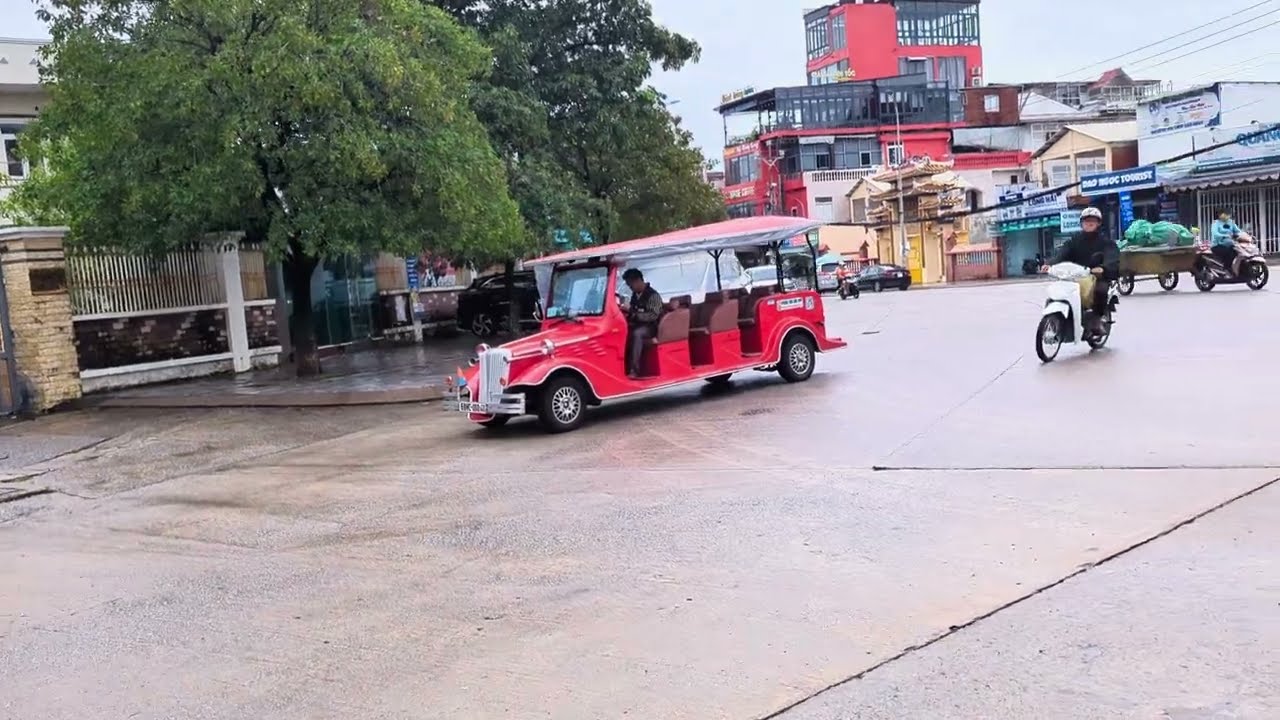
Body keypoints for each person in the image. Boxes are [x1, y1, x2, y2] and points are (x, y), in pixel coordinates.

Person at [1042, 206, 1118, 332]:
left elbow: (1112, 257)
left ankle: (1097, 319)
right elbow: (1062, 253)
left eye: (1093, 220)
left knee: (1100, 290)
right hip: (1075, 275)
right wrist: (1049, 264)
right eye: (1086, 220)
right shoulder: (1075, 240)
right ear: (1082, 223)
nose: (1089, 223)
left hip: (1097, 277)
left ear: (1098, 223)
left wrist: (1103, 268)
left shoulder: (1106, 242)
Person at [619, 268, 663, 378]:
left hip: (651, 327)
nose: (630, 288)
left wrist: (633, 313)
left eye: (631, 285)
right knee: (622, 331)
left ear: (638, 280)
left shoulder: (653, 295)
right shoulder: (635, 295)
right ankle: (622, 367)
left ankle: (635, 370)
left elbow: (653, 316)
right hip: (638, 324)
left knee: (637, 334)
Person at [1210, 209, 1242, 274]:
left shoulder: (1231, 222)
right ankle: (1226, 269)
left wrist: (1244, 235)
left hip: (1230, 244)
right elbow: (1215, 234)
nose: (1227, 215)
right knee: (1229, 253)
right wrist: (1225, 235)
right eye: (1224, 214)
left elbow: (1238, 231)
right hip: (1217, 245)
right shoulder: (1216, 223)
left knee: (1239, 251)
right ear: (1219, 215)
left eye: (1228, 214)